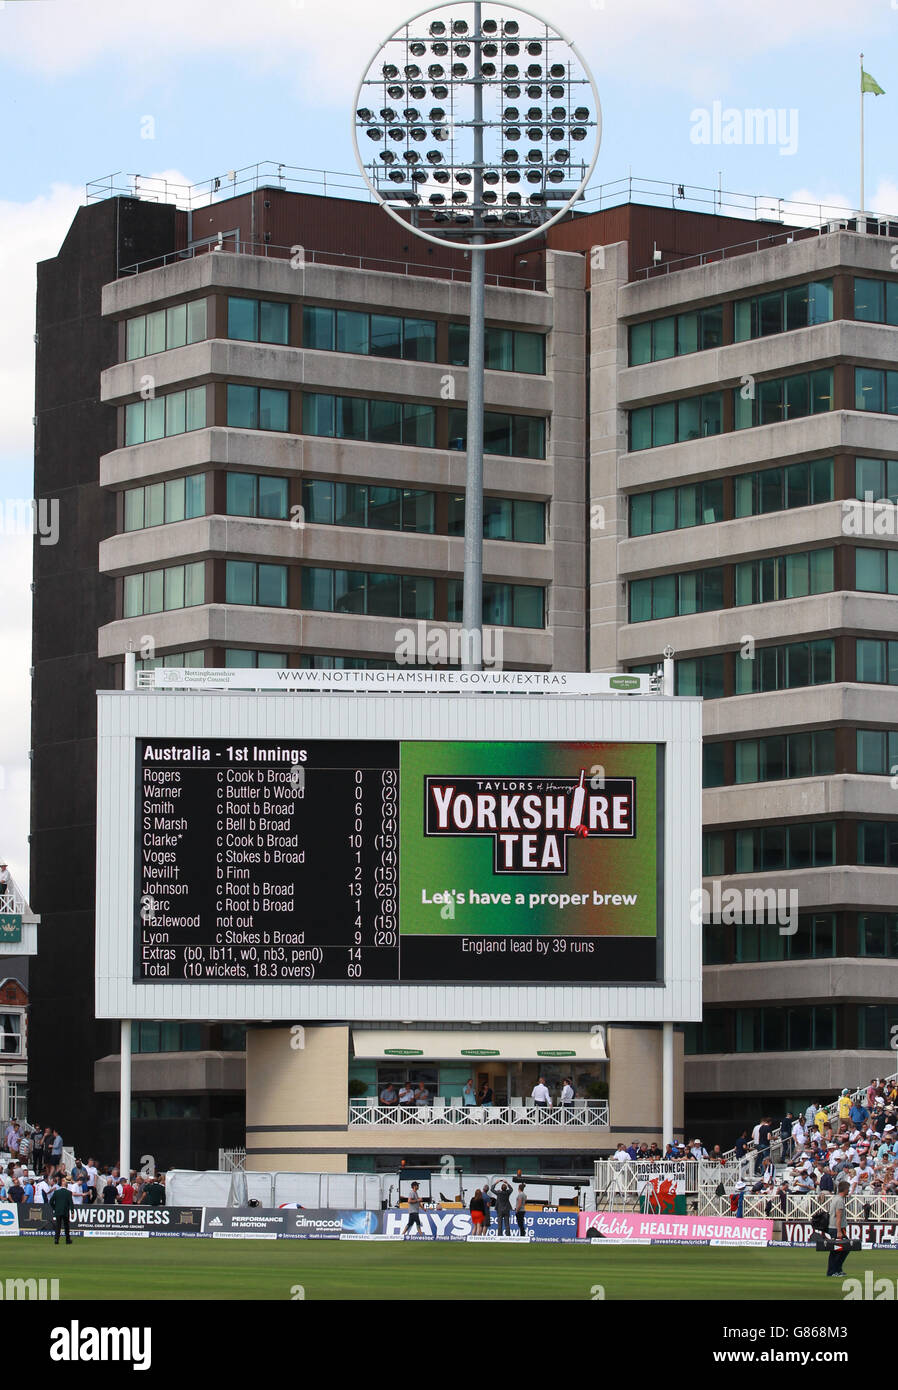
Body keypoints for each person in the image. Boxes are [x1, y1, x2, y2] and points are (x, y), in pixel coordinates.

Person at [825, 1182, 852, 1278]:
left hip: (834, 1228)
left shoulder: (835, 1198)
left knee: (840, 1250)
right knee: (840, 1250)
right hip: (837, 1229)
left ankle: (836, 1270)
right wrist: (839, 1231)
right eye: (848, 1189)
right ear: (844, 1189)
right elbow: (838, 1217)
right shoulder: (839, 1200)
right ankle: (833, 1271)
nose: (848, 1190)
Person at [48, 1178, 74, 1245]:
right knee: (66, 1226)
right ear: (66, 1185)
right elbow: (71, 1203)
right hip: (65, 1211)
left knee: (58, 1226)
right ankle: (67, 1239)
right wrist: (72, 1212)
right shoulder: (68, 1193)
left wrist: (55, 1208)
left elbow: (51, 1202)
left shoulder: (56, 1192)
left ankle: (56, 1239)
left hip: (58, 1211)